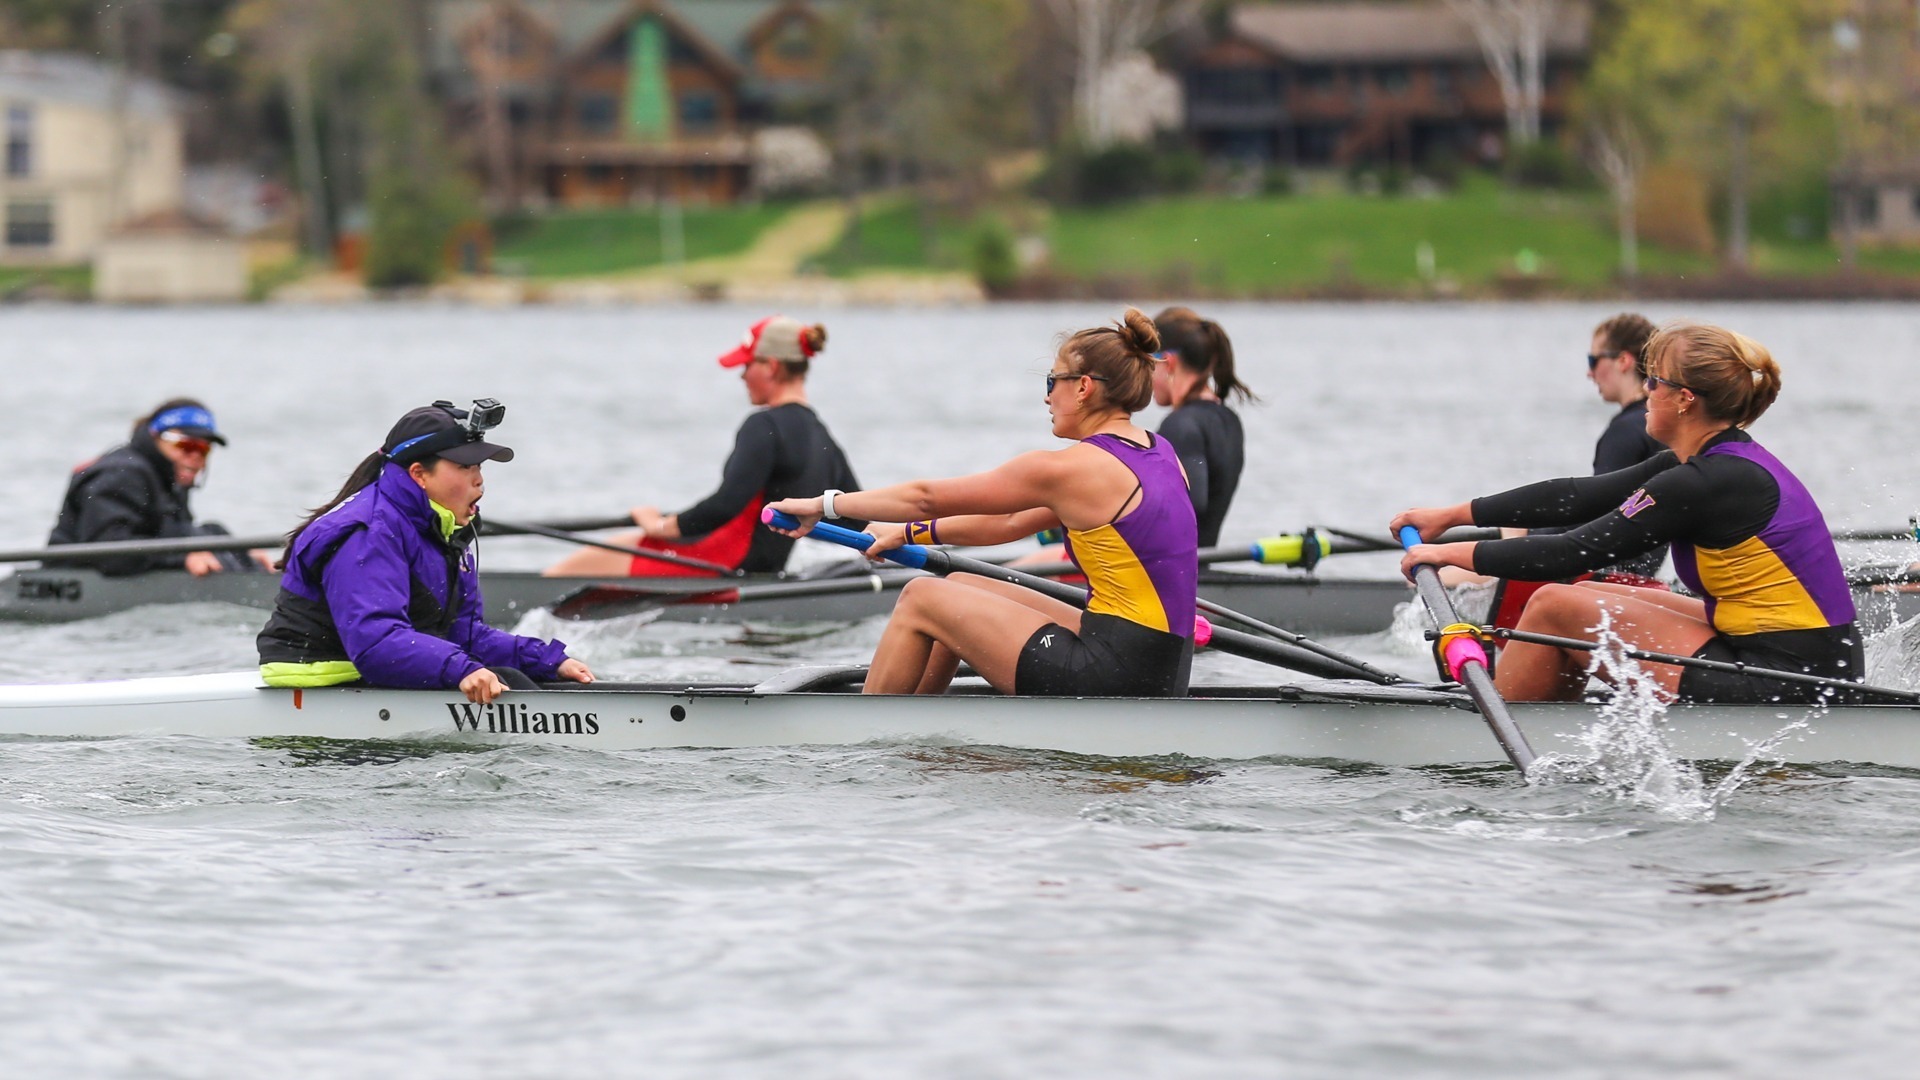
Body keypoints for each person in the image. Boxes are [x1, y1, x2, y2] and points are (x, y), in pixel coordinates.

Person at [1392, 322, 1860, 705]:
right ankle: (1539, 708)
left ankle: (1492, 732)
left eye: (1655, 381)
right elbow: (1579, 497)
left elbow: (1570, 551)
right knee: (1594, 589)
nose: (1647, 392)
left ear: (1685, 399)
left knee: (1554, 604)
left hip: (1794, 681)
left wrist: (1447, 554)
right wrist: (1451, 515)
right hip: (1806, 658)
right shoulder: (1705, 461)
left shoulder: (1705, 481)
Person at [765, 309, 1198, 698]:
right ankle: (917, 724)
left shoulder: (1072, 469)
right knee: (959, 584)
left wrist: (824, 505)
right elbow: (1007, 523)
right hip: (1162, 666)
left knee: (920, 596)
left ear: (1083, 387)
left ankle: (861, 734)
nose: (1048, 397)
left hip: (1113, 672)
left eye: (1053, 381)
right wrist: (906, 534)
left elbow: (925, 498)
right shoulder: (1161, 452)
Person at [257, 401, 593, 704]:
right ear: (419, 474)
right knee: (500, 681)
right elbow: (376, 642)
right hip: (318, 678)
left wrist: (546, 661)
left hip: (367, 669)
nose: (479, 481)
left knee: (518, 677)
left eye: (480, 466)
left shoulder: (440, 528)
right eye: (464, 466)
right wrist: (460, 670)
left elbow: (462, 634)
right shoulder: (370, 531)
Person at [544, 315, 860, 579]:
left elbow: (725, 505)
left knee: (558, 575)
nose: (741, 375)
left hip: (720, 560)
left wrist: (659, 525)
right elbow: (857, 518)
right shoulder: (825, 439)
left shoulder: (763, 425)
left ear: (771, 367)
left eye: (746, 364)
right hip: (767, 568)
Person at [47, 398, 275, 576]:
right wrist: (182, 559)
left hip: (122, 569)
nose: (196, 457)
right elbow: (109, 551)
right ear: (156, 438)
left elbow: (179, 533)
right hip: (73, 579)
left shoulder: (167, 475)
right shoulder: (123, 472)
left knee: (211, 531)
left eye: (204, 449)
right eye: (186, 445)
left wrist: (242, 554)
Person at [1152, 307, 1256, 547]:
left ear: (1169, 362)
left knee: (1046, 568)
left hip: (1165, 573)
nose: (1145, 376)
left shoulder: (1180, 425)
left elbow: (1192, 504)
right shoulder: (1229, 419)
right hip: (1199, 564)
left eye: (1148, 363)